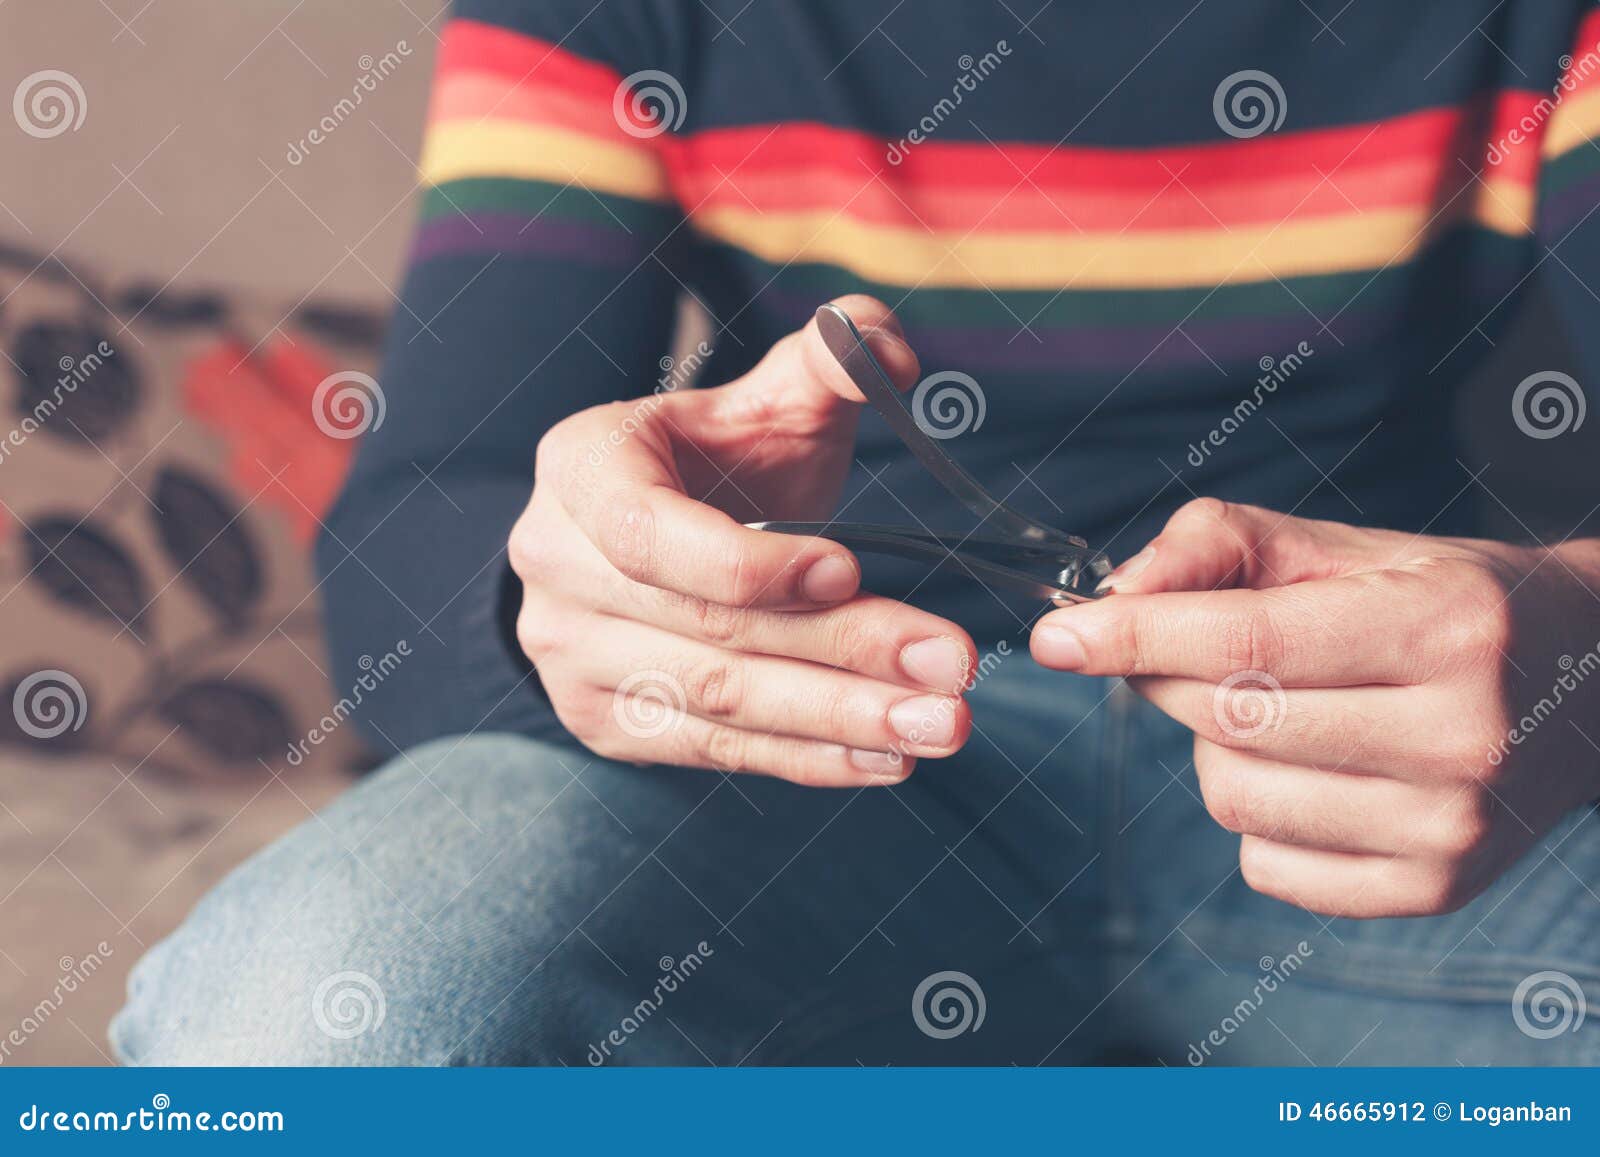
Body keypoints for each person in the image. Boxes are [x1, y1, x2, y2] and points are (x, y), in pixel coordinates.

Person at [112, 0, 1600, 1065]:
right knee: (322, 1016)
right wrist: (563, 598)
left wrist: (1572, 655)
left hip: (1376, 768)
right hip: (804, 766)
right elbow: (411, 537)